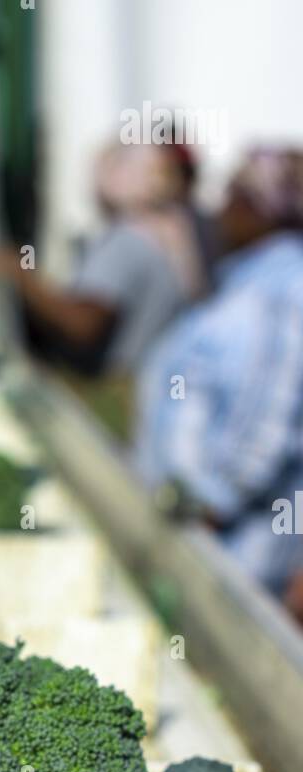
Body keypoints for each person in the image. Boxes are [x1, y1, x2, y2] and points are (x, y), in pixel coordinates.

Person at [137, 148, 303, 603]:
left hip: (238, 558)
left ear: (262, 209)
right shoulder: (253, 281)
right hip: (213, 547)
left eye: (233, 198)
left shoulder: (283, 292)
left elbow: (268, 425)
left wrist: (209, 505)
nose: (222, 213)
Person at [0, 141, 212, 378]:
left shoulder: (127, 241)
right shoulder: (176, 234)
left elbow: (83, 325)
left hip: (116, 391)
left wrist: (20, 276)